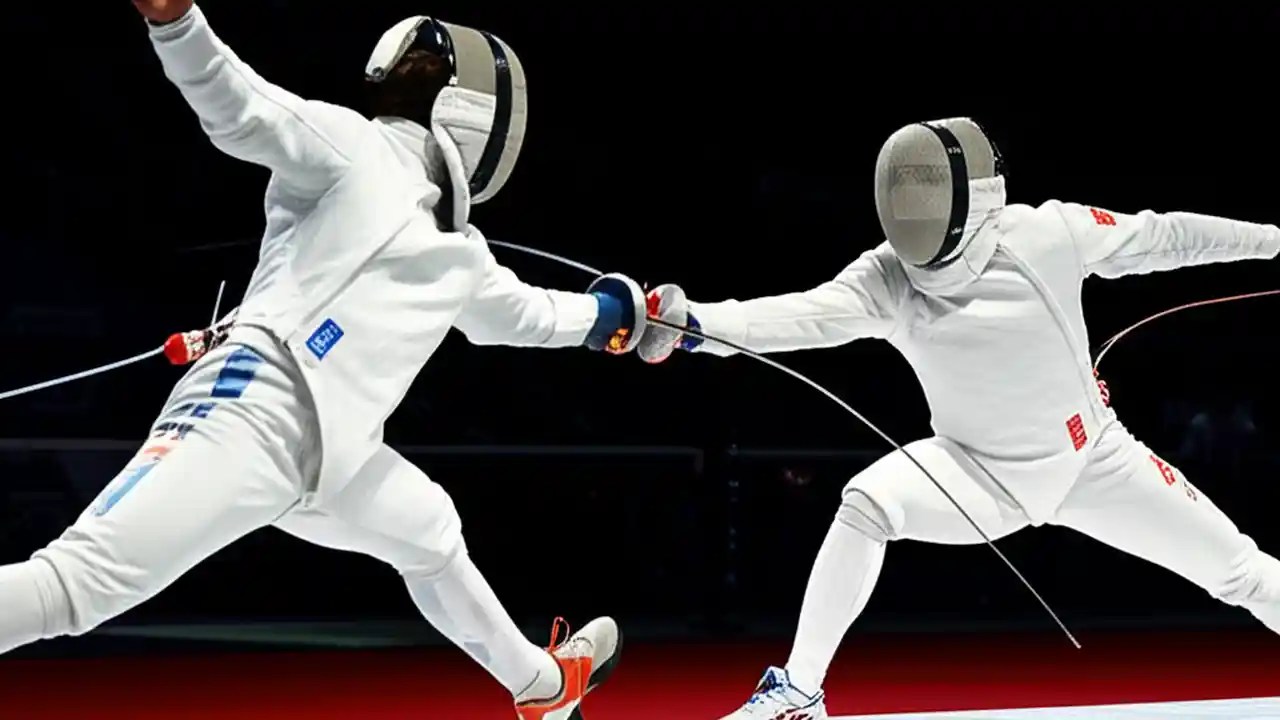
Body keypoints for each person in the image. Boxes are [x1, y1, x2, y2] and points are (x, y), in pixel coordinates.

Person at [0, 3, 645, 718]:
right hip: (252, 410)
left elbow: (528, 316)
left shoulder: (461, 253)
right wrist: (177, 23)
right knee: (72, 587)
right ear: (474, 114)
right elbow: (238, 105)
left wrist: (622, 315)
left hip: (336, 460)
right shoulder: (351, 146)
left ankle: (544, 689)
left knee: (430, 530)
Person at [635, 117, 1280, 719]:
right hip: (978, 473)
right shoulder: (891, 278)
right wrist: (695, 325)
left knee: (1242, 571)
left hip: (1093, 461)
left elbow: (1164, 236)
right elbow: (792, 317)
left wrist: (1272, 241)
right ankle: (800, 693)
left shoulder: (1048, 235)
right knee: (867, 502)